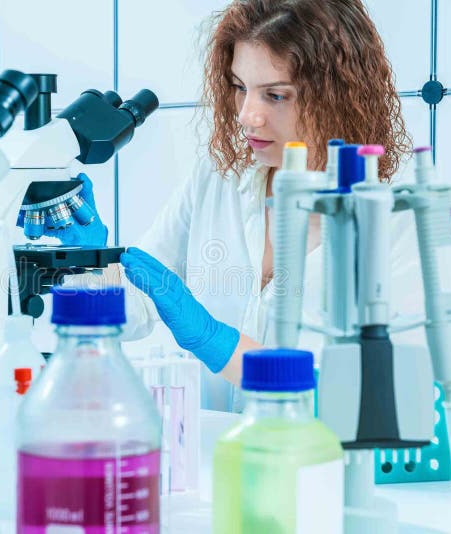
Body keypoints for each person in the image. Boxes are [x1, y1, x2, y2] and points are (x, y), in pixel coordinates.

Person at [21, 0, 420, 411]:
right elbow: (136, 307)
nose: (248, 115)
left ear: (339, 95)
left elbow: (381, 400)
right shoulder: (219, 178)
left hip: (326, 463)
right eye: (239, 87)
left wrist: (216, 343)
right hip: (215, 455)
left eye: (276, 95)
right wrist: (90, 263)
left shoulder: (395, 214)